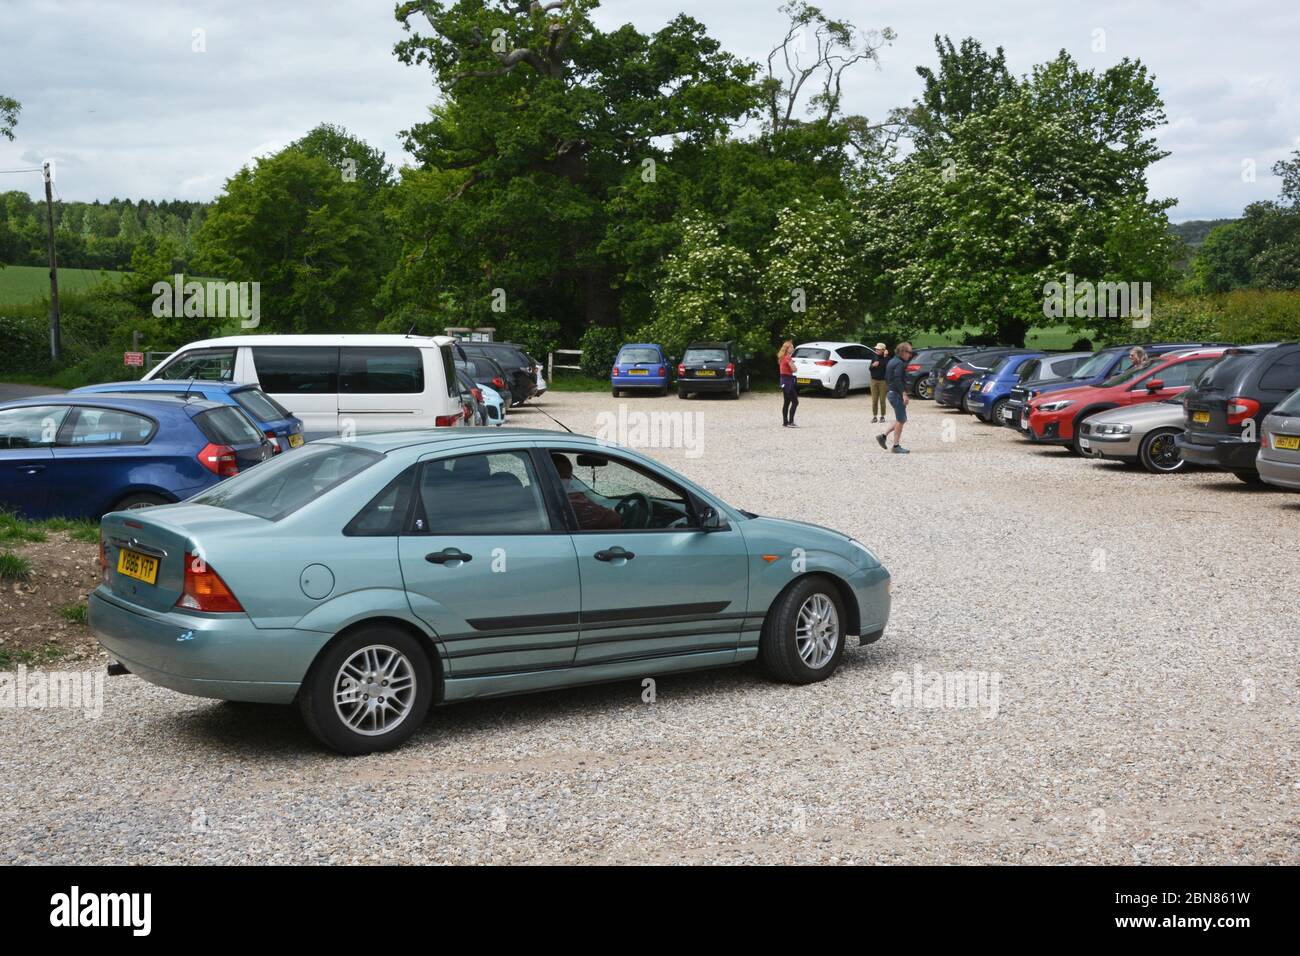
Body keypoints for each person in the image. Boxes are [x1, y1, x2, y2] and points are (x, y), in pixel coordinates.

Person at [552, 453, 621, 528]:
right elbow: (612, 519)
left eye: (569, 476)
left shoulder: (548, 494)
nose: (570, 480)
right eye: (566, 476)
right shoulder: (573, 500)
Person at [876, 342, 914, 454]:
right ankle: (896, 446)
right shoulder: (899, 363)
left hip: (891, 392)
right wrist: (904, 394)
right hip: (896, 394)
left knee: (900, 419)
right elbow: (897, 378)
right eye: (909, 352)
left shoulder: (893, 360)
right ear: (902, 352)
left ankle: (883, 436)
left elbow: (888, 377)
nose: (910, 355)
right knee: (901, 419)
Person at [778, 340, 799, 428]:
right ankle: (791, 422)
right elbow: (794, 369)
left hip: (783, 381)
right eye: (792, 347)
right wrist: (794, 366)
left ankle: (785, 422)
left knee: (787, 402)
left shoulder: (782, 357)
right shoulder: (787, 358)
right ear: (787, 349)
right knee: (795, 401)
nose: (793, 349)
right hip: (788, 381)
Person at [869, 342, 889, 423]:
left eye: (878, 349)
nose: (876, 350)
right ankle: (874, 416)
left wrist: (885, 357)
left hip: (883, 381)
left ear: (883, 350)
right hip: (873, 380)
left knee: (882, 400)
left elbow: (887, 367)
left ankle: (882, 416)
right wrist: (873, 365)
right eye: (876, 349)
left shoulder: (887, 358)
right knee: (874, 400)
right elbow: (869, 369)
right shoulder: (874, 357)